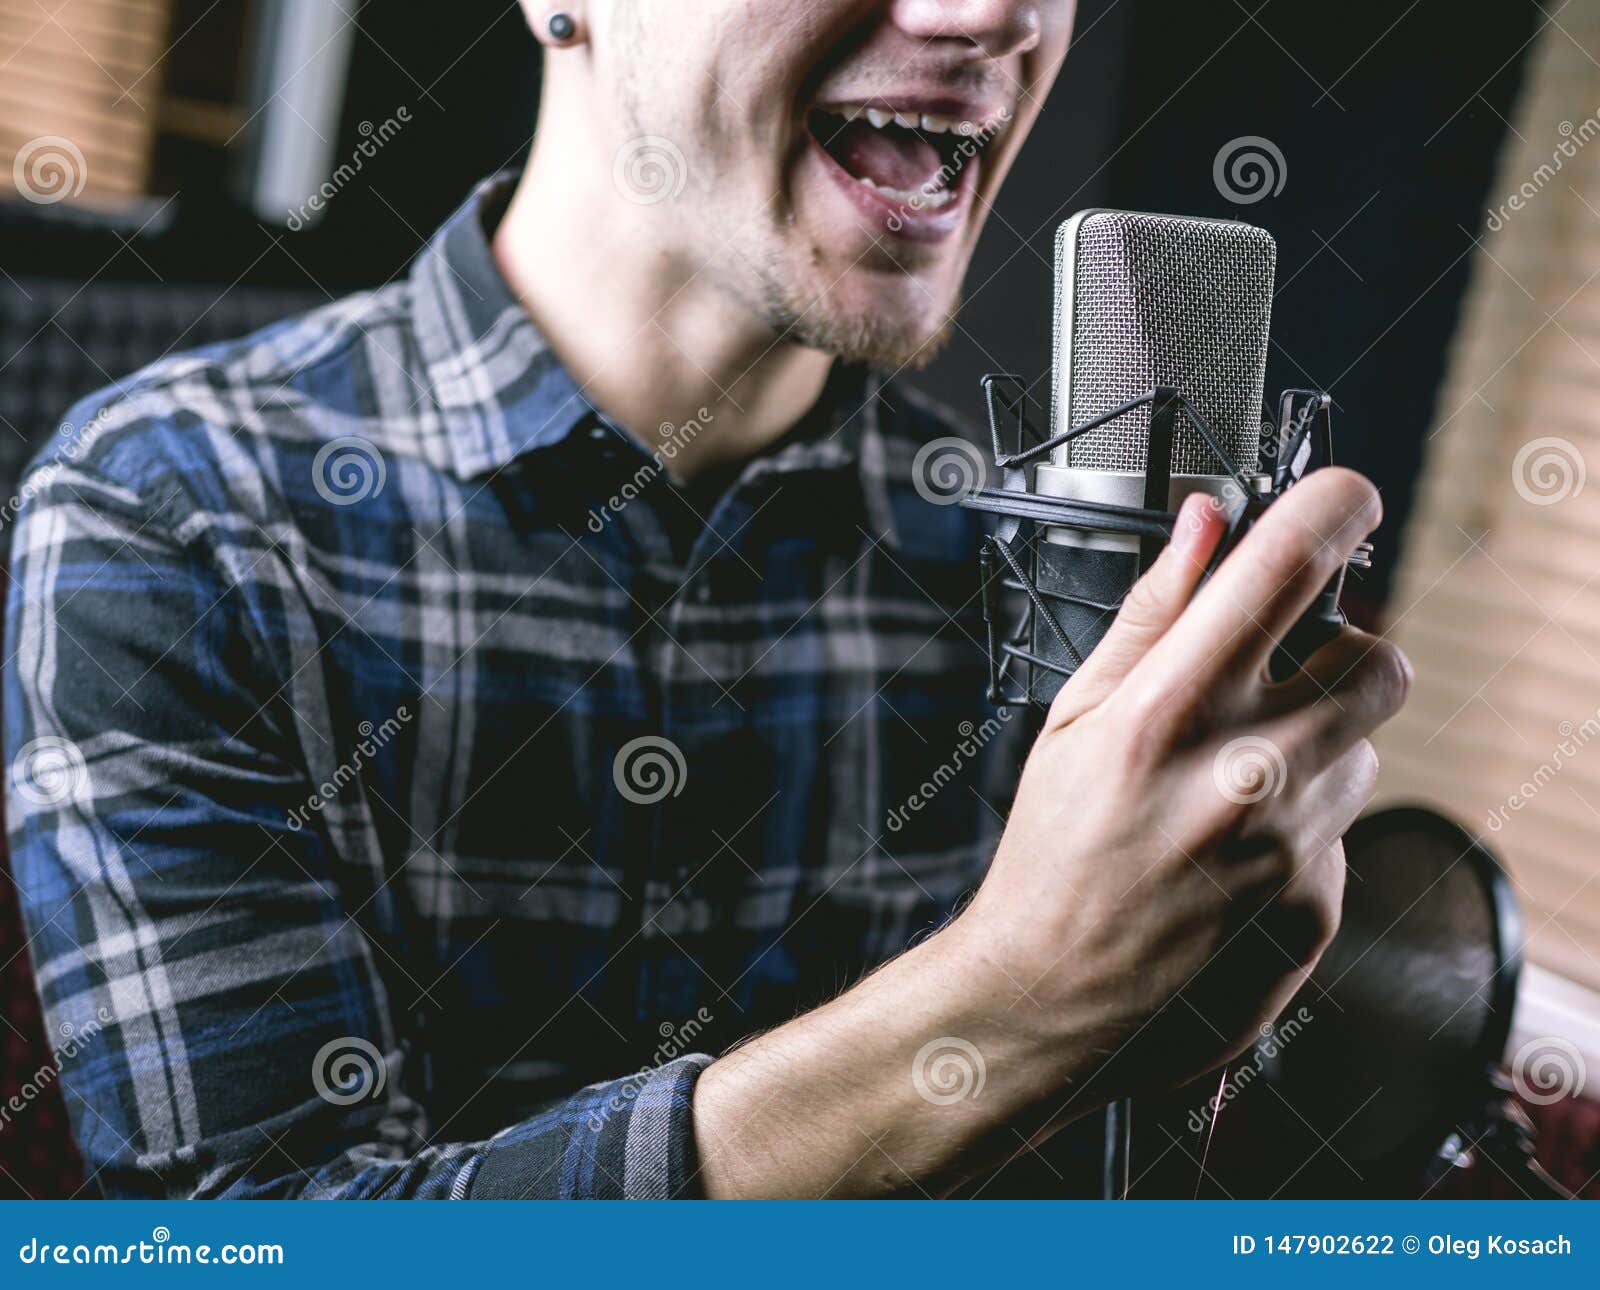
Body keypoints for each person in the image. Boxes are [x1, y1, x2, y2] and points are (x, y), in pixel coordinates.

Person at [5, 0, 1407, 1198]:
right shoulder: (176, 517)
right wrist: (1012, 998)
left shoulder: (1021, 559)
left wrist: (1169, 1048)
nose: (992, 14)